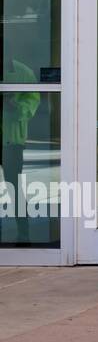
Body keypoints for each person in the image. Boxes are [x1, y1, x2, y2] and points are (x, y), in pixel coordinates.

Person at [2, 56, 41, 245]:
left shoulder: (23, 73)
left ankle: (24, 233)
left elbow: (31, 104)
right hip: (10, 140)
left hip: (12, 141)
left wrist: (14, 106)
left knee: (14, 187)